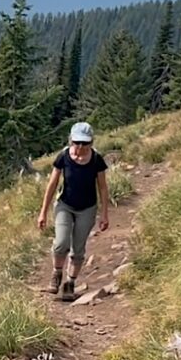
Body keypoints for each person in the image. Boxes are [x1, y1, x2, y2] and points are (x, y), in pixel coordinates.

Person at [37, 122, 109, 300]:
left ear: (91, 143)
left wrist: (104, 214)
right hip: (65, 205)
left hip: (87, 208)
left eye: (85, 143)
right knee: (61, 243)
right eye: (77, 142)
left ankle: (70, 283)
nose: (80, 147)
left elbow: (103, 188)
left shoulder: (96, 160)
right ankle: (56, 274)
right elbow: (52, 185)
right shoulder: (63, 157)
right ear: (71, 140)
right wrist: (43, 212)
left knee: (78, 249)